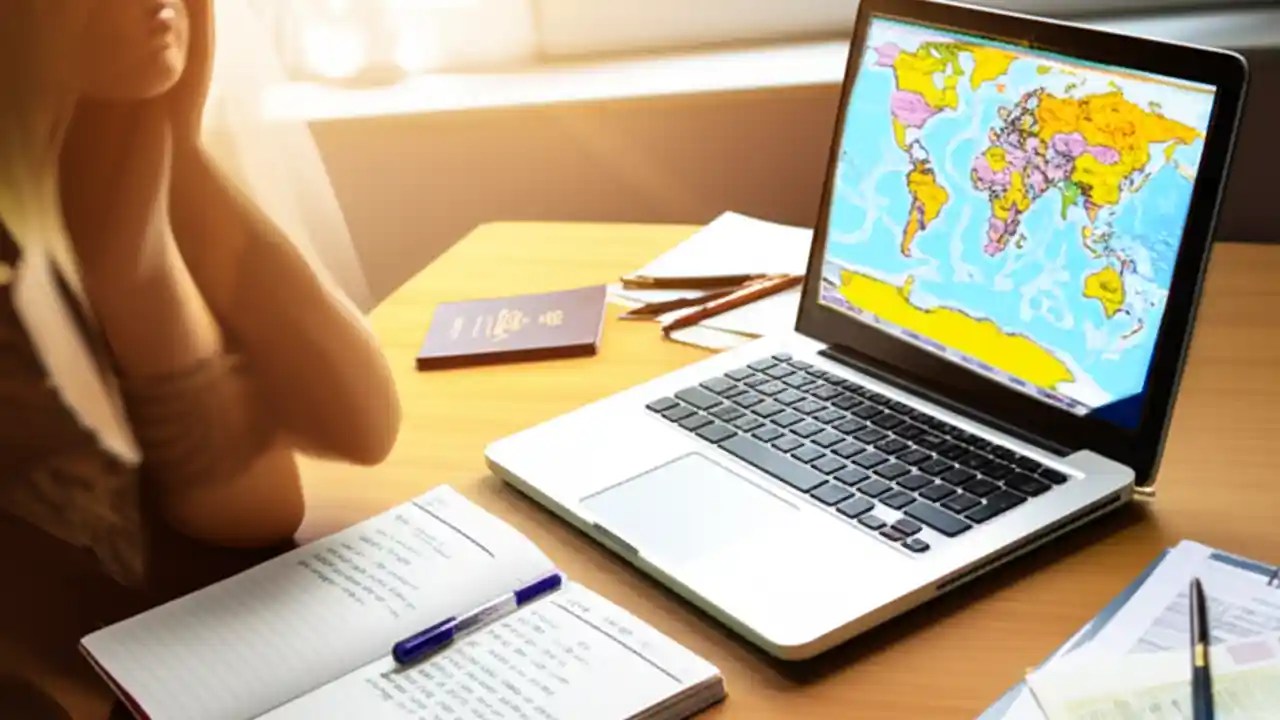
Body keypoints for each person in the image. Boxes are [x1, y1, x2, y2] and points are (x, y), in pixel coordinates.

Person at [0, 0, 401, 714]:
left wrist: (177, 144)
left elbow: (363, 424)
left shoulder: (97, 140)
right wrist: (138, 272)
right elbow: (250, 524)